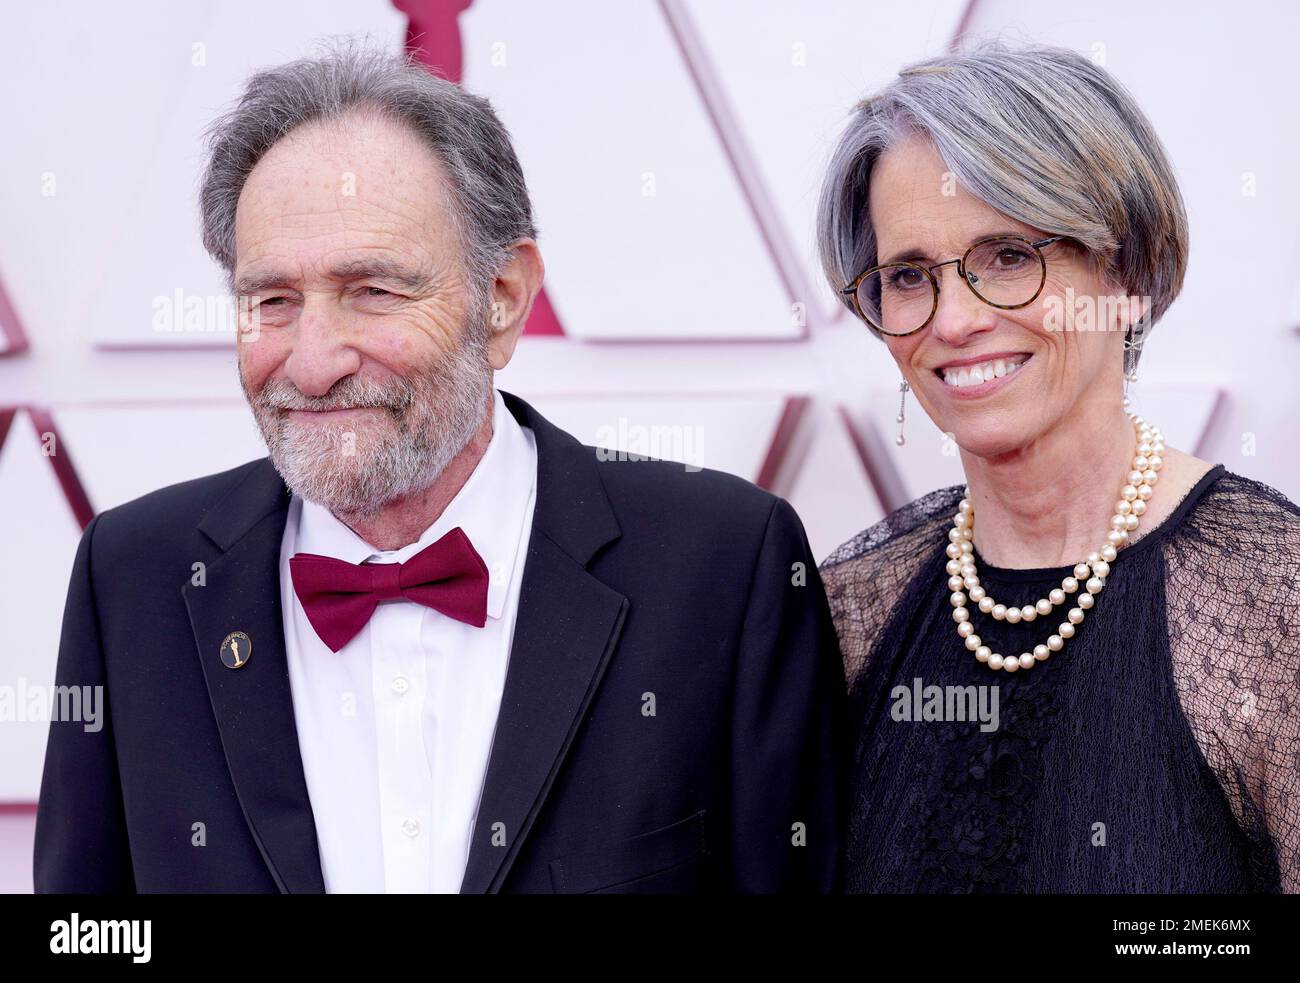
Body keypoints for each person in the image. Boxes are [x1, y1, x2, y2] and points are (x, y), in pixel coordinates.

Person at [34, 44, 847, 894]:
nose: (312, 364)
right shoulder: (131, 577)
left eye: (373, 292)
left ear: (502, 297)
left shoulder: (723, 564)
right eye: (272, 300)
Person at [815, 42, 1300, 892]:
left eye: (1009, 254)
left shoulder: (1271, 603)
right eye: (908, 274)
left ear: (1127, 269)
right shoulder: (852, 608)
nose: (954, 319)